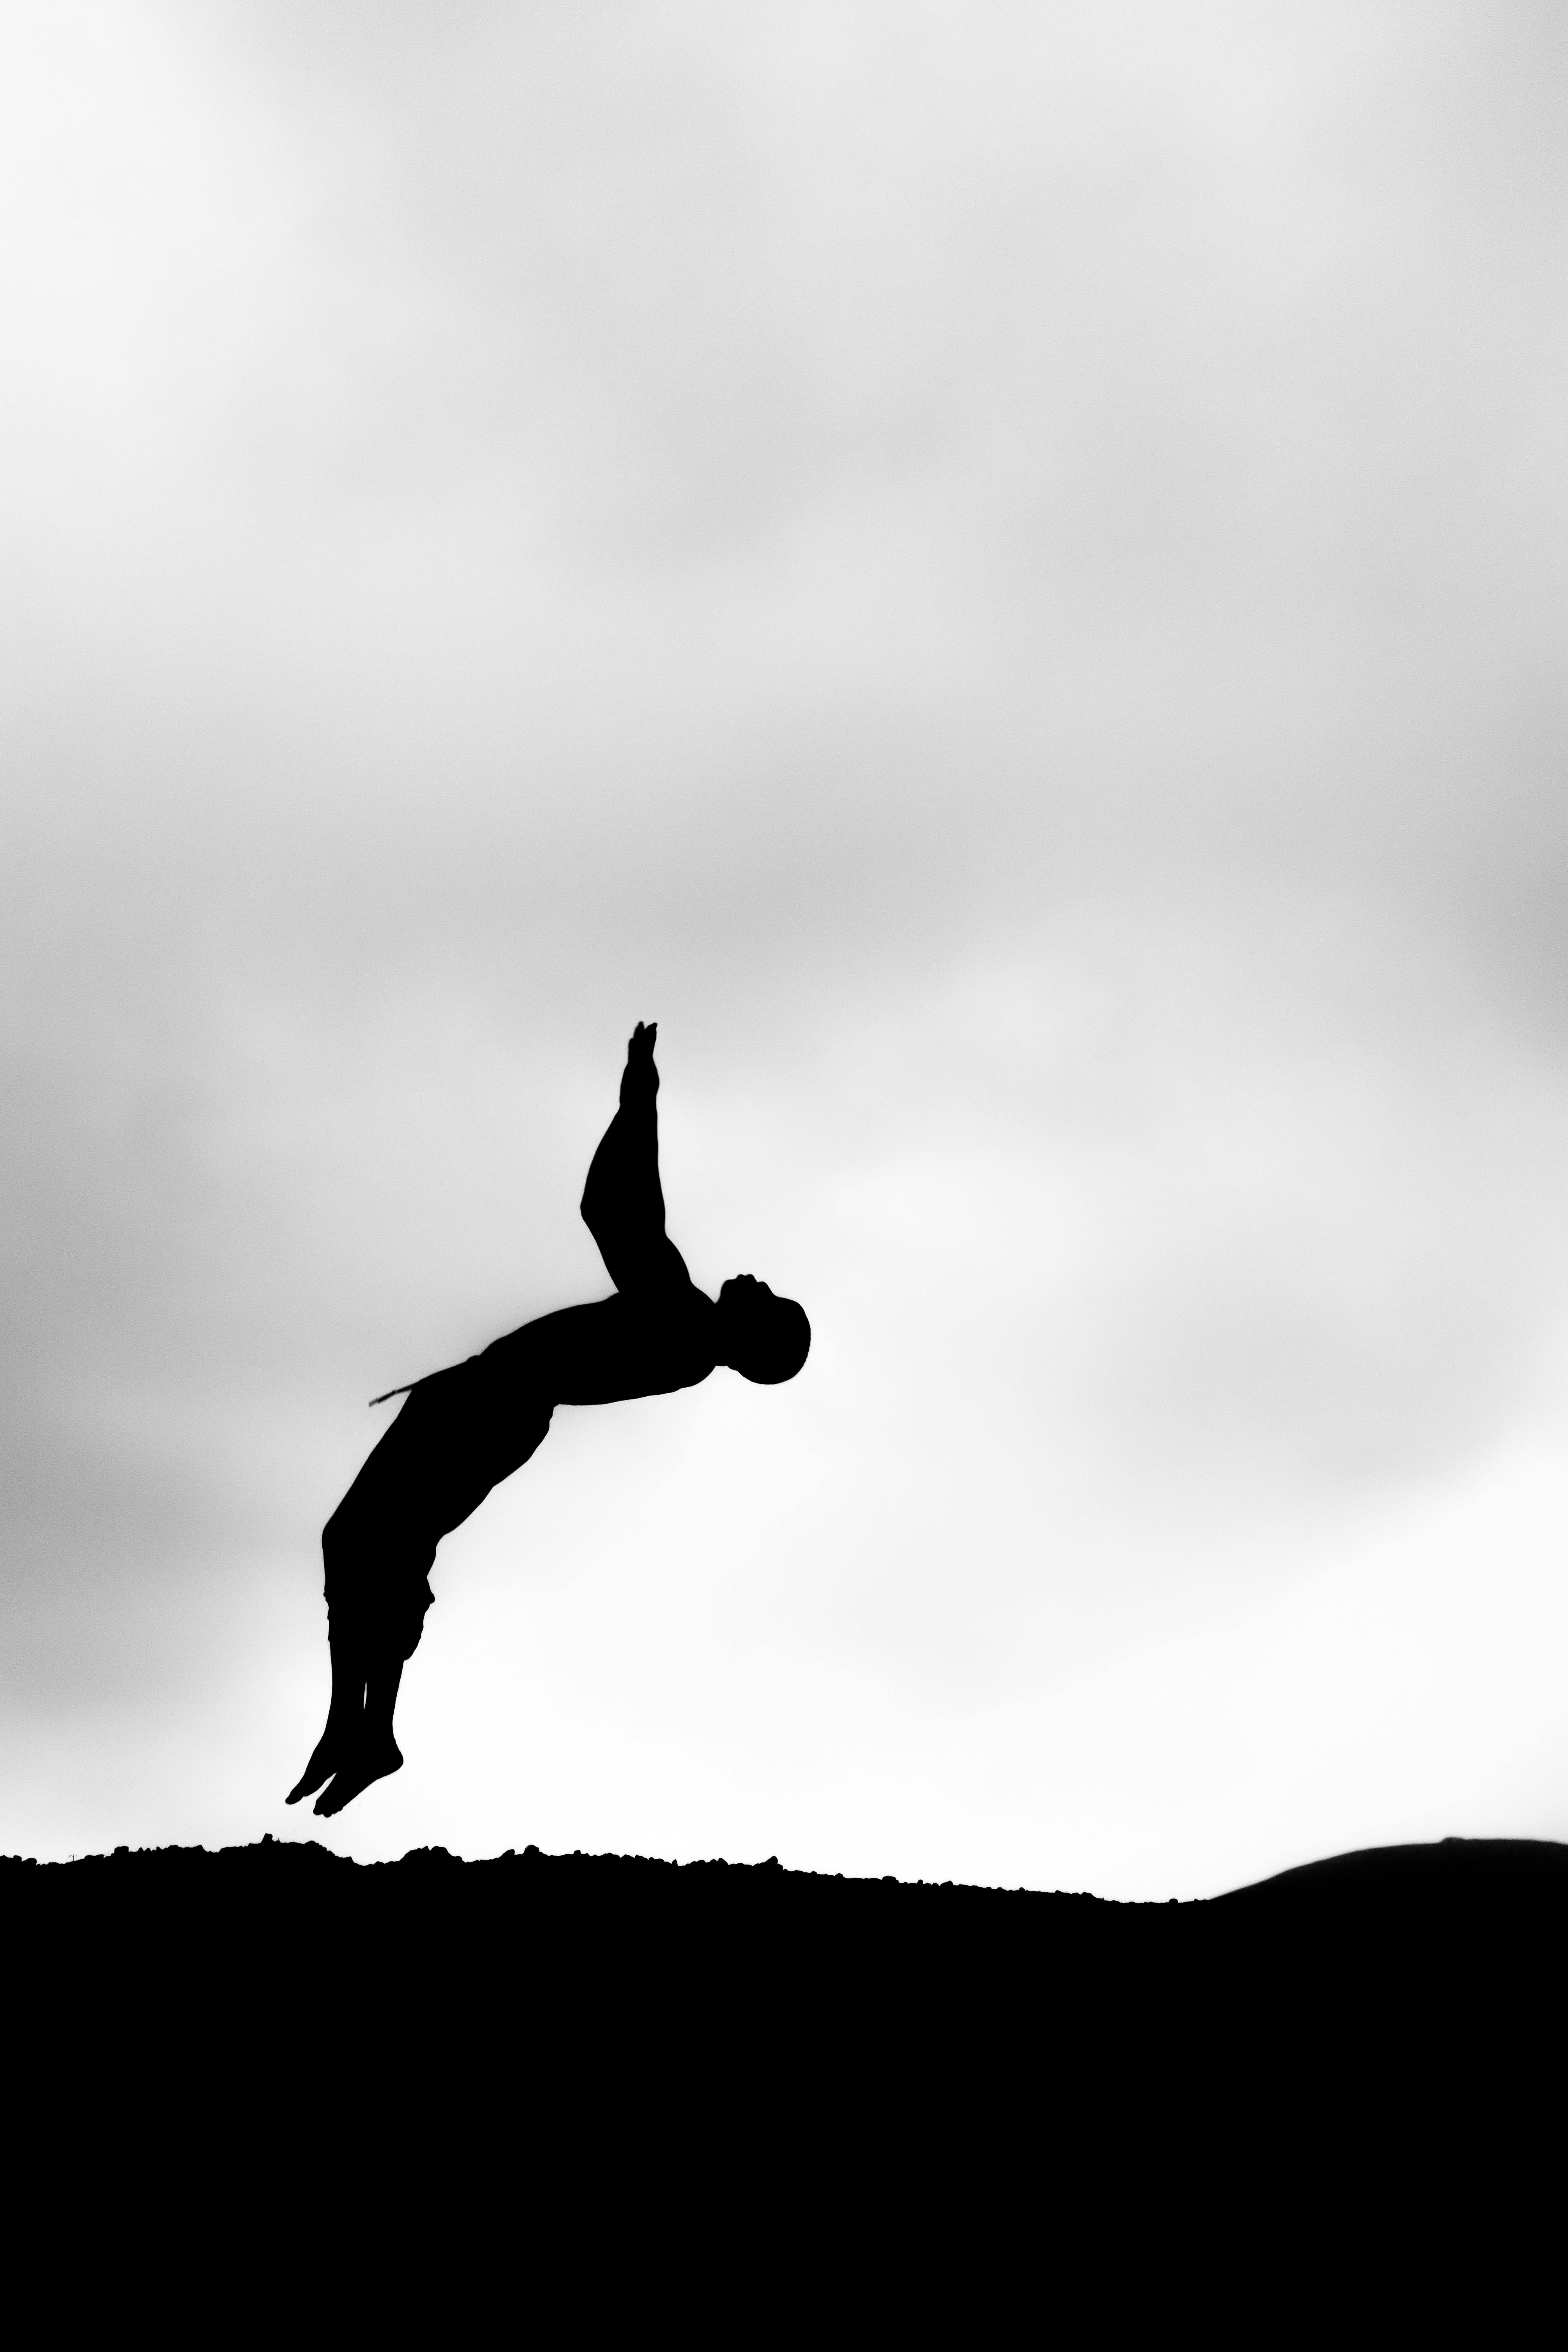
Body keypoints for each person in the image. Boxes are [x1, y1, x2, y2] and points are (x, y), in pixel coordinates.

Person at [287, 1021, 810, 1818]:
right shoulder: (688, 1333)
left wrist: (640, 1095)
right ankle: (354, 1727)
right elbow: (620, 1216)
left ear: (751, 1339)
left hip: (493, 1407)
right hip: (492, 1404)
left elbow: (614, 1212)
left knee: (377, 1544)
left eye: (768, 1300)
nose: (757, 1281)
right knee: (371, 1543)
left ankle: (364, 1731)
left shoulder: (683, 1325)